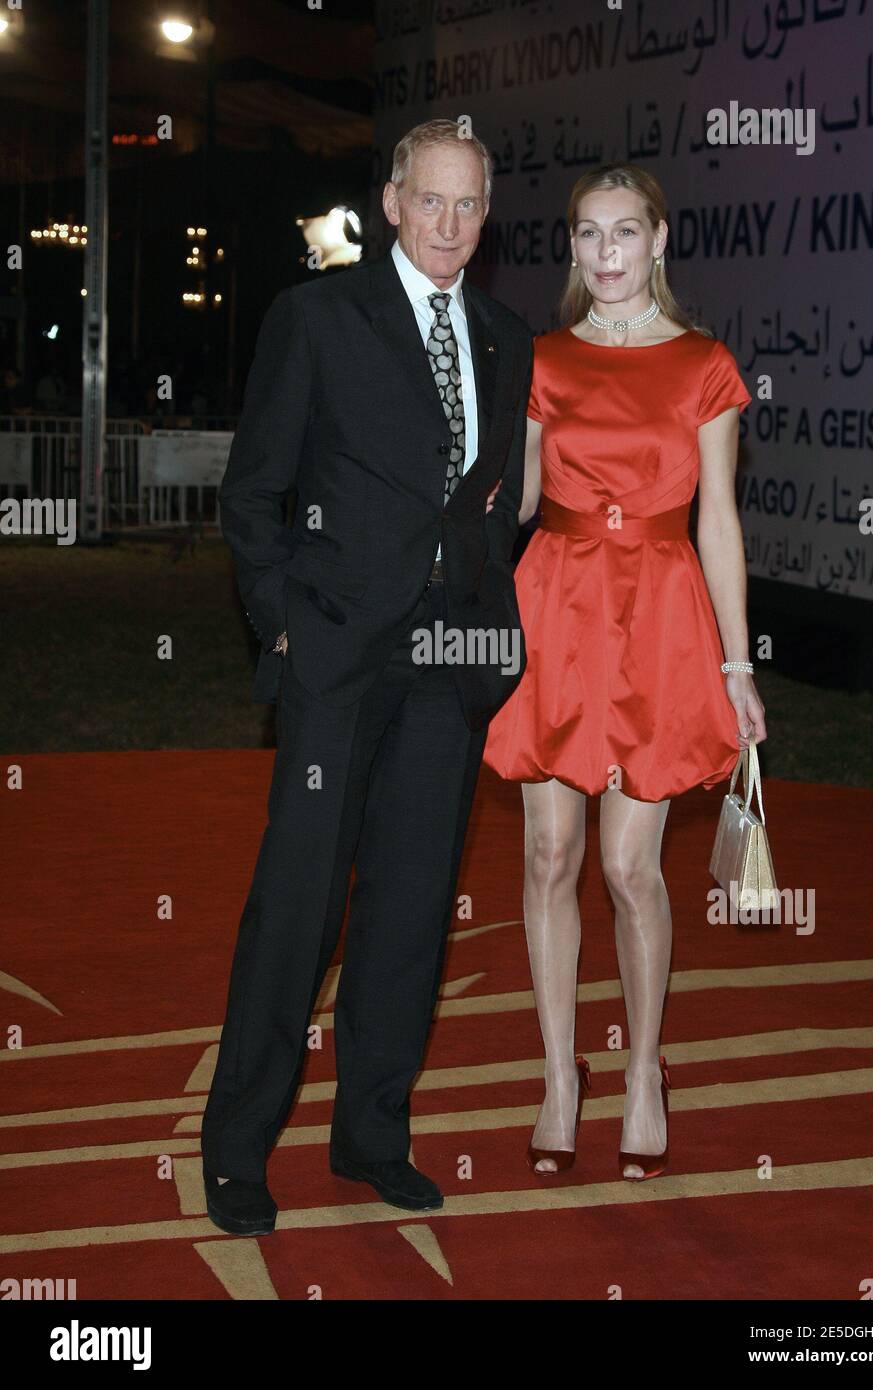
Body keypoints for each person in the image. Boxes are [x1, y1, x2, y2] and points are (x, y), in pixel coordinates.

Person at [202, 119, 533, 1234]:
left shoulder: (502, 336)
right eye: (430, 201)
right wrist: (285, 629)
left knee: (409, 914)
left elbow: (492, 499)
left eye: (470, 206)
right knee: (296, 909)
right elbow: (253, 495)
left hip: (450, 665)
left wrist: (489, 617)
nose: (449, 225)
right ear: (390, 201)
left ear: (488, 216)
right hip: (338, 660)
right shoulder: (316, 318)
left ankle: (371, 1137)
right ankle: (238, 1150)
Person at [483, 163, 767, 1181]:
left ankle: (643, 1069)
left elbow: (720, 521)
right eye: (586, 236)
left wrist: (737, 664)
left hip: (656, 612)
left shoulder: (703, 364)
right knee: (548, 856)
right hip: (554, 605)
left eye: (622, 234)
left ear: (657, 242)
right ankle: (562, 1075)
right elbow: (509, 502)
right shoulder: (541, 360)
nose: (604, 253)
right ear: (572, 249)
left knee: (627, 866)